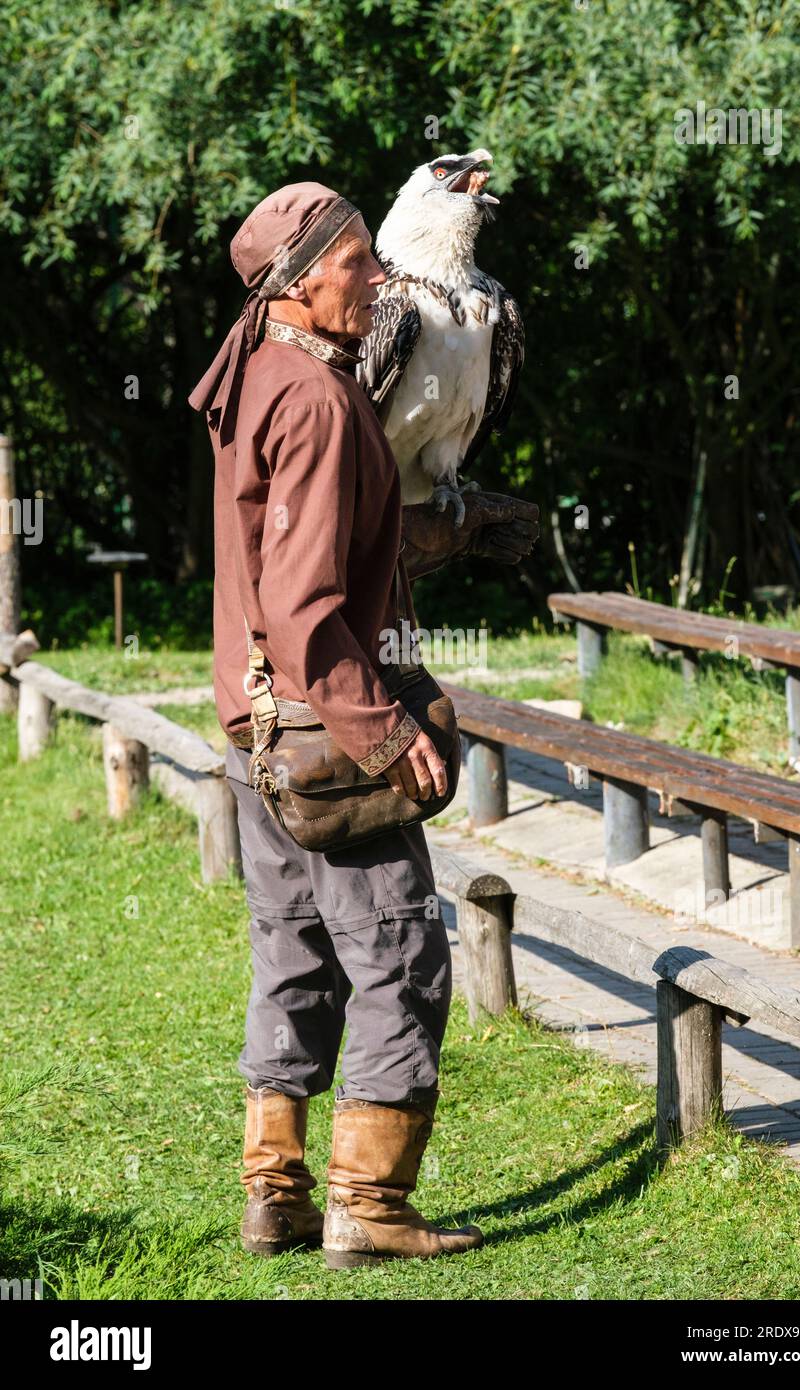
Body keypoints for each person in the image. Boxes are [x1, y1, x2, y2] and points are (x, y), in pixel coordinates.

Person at [189, 181, 538, 1269]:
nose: (379, 278)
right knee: (397, 952)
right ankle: (370, 1205)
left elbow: (299, 556)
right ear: (298, 285)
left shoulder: (256, 375)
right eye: (355, 264)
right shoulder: (320, 400)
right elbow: (303, 606)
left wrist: (441, 529)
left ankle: (274, 1190)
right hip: (325, 736)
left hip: (256, 726)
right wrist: (384, 729)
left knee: (292, 952)